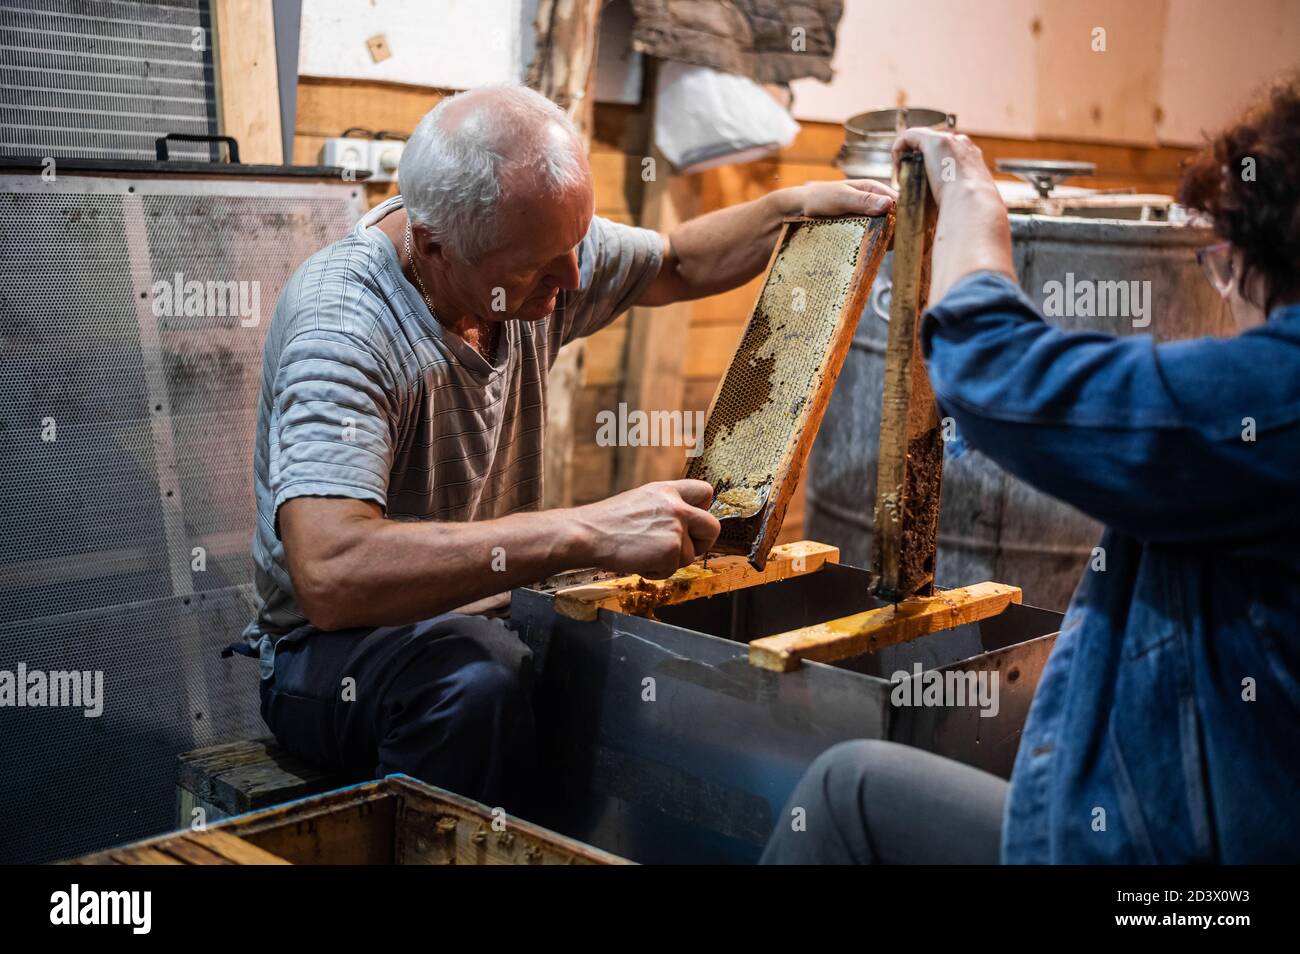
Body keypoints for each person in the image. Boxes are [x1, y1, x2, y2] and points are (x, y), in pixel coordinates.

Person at [239, 83, 897, 809]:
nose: (575, 279)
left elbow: (676, 261)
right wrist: (588, 530)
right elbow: (332, 575)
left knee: (636, 665)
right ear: (433, 245)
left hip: (480, 611)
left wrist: (788, 208)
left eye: (577, 246)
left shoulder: (526, 256)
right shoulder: (344, 326)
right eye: (541, 267)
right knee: (475, 682)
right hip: (332, 654)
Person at [762, 73, 1300, 864]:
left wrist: (975, 210)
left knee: (846, 798)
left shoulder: (1277, 401)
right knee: (857, 792)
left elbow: (994, 373)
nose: (1228, 292)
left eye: (1225, 263)